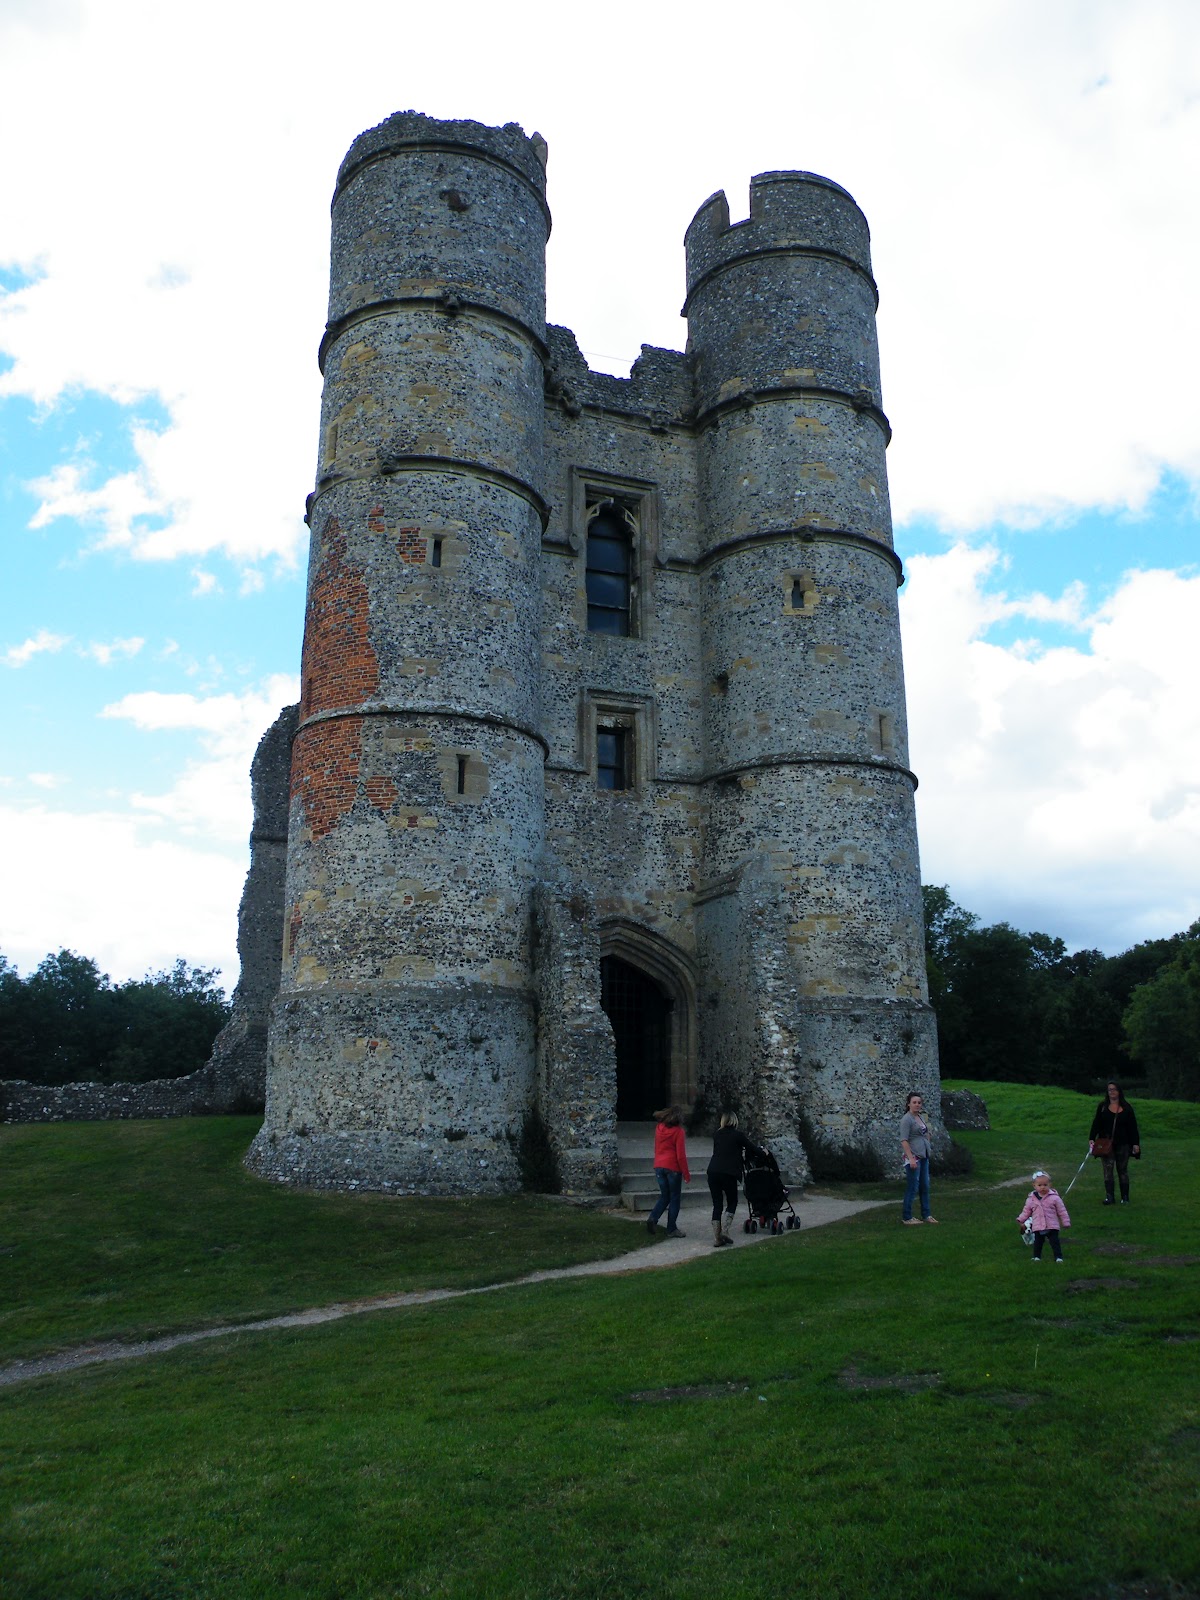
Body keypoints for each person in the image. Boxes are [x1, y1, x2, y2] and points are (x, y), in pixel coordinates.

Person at [706, 1112, 765, 1248]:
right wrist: (763, 1153)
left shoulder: (717, 1134)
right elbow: (752, 1148)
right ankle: (725, 1231)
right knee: (732, 1201)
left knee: (717, 1204)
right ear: (734, 1121)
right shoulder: (738, 1135)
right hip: (729, 1172)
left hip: (713, 1171)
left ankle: (717, 1237)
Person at [1089, 1081, 1142, 1205]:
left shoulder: (1127, 1107)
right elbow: (1096, 1123)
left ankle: (1125, 1197)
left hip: (1123, 1143)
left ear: (1119, 1091)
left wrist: (1135, 1143)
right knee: (1108, 1169)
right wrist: (1092, 1137)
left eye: (1114, 1089)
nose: (1112, 1092)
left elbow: (1132, 1127)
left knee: (1122, 1170)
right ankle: (1110, 1197)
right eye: (1109, 1090)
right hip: (1106, 1143)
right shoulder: (1102, 1106)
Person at [645, 1105, 690, 1238]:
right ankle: (671, 1228)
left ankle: (653, 1218)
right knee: (675, 1197)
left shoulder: (659, 1128)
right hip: (673, 1168)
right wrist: (686, 1174)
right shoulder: (679, 1132)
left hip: (659, 1165)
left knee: (665, 1195)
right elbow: (680, 1156)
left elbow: (657, 1147)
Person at [1016, 1169, 1071, 1262]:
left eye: (1045, 1185)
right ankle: (1037, 1256)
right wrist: (1021, 1219)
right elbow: (1026, 1210)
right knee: (1038, 1242)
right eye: (1040, 1185)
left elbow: (1062, 1211)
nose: (1043, 1187)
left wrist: (1066, 1222)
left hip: (1052, 1225)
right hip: (1038, 1225)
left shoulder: (1055, 1198)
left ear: (1050, 1184)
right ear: (1034, 1186)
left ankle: (1058, 1257)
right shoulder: (1031, 1199)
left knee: (1054, 1242)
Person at [900, 1090, 937, 1225]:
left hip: (924, 1155)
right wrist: (911, 1159)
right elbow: (904, 1140)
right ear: (909, 1104)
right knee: (913, 1187)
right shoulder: (906, 1119)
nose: (917, 1105)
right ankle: (907, 1217)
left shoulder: (920, 1117)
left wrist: (927, 1140)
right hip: (914, 1157)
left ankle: (926, 1214)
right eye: (914, 1102)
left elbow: (924, 1132)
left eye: (919, 1103)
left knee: (925, 1186)